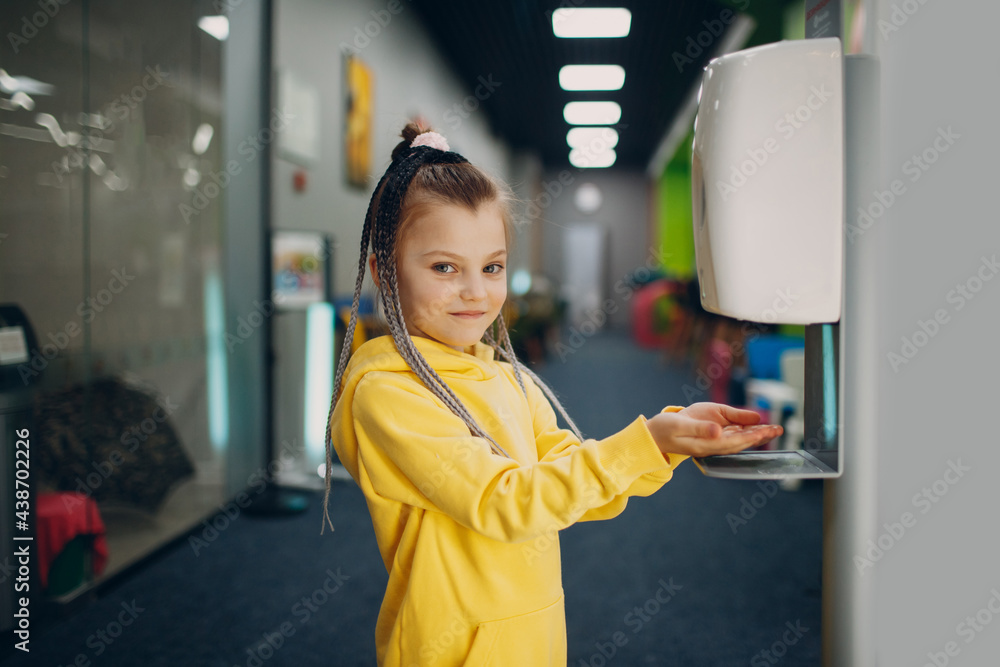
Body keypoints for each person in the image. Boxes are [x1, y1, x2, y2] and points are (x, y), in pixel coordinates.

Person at [323, 122, 782, 666]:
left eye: (492, 267)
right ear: (385, 273)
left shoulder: (506, 376)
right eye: (445, 267)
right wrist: (643, 442)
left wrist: (666, 442)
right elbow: (506, 501)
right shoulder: (390, 394)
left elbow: (572, 484)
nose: (475, 291)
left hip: (534, 637)